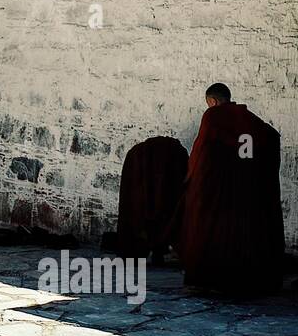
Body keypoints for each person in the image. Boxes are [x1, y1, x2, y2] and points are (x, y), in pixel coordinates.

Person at [176, 82, 284, 296]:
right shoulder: (248, 118)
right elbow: (271, 137)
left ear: (213, 101)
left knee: (210, 229)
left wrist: (191, 179)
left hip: (217, 187)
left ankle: (209, 278)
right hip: (247, 187)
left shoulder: (213, 116)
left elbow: (200, 152)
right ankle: (245, 279)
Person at [115, 135, 188, 262]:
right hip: (168, 202)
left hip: (145, 203)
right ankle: (159, 246)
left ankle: (144, 247)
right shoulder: (178, 158)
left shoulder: (136, 157)